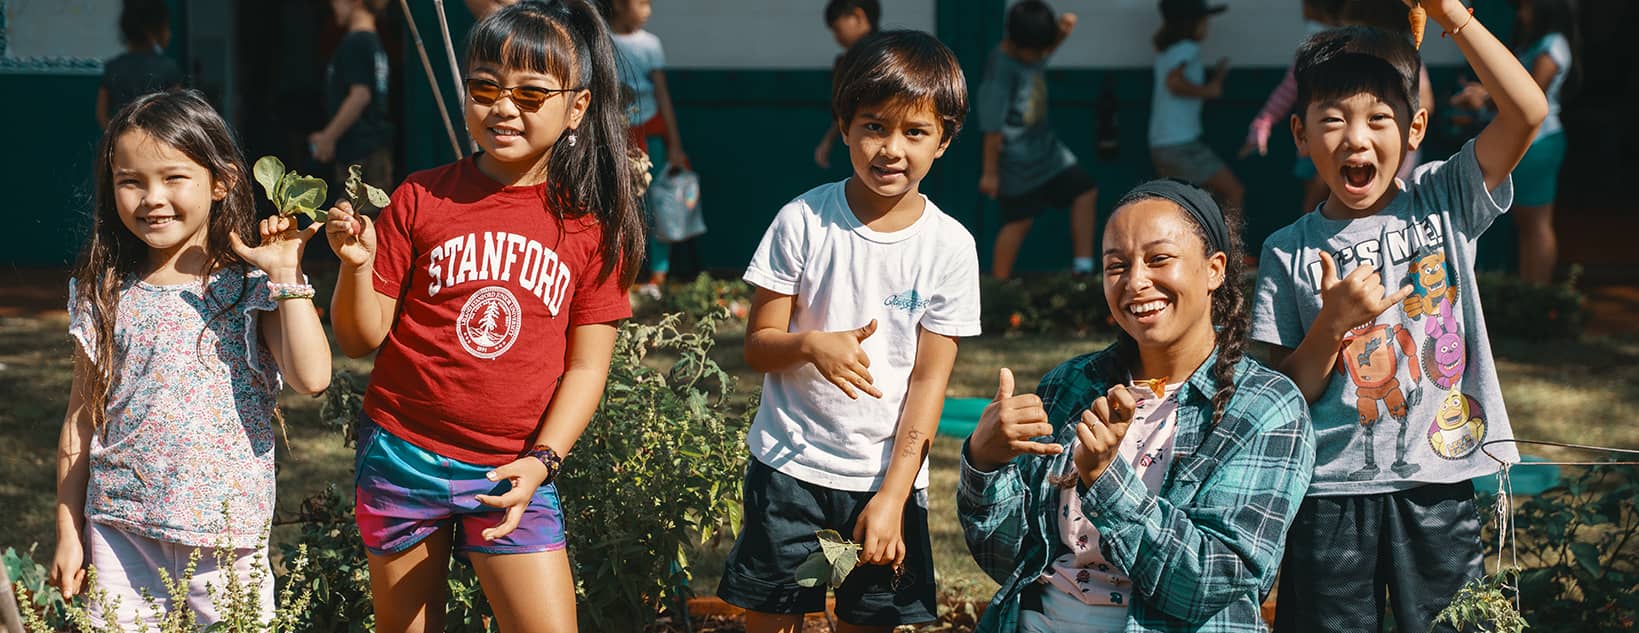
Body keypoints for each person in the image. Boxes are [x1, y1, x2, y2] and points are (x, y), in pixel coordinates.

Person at [322, 1, 643, 630]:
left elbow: (586, 369)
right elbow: (361, 339)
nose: (504, 108)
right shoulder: (420, 196)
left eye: (530, 94)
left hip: (514, 468)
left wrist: (542, 461)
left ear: (576, 108)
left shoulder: (591, 226)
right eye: (487, 88)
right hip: (402, 454)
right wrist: (355, 266)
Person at [1251, 8, 1548, 630]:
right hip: (1328, 495)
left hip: (1441, 483)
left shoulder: (1445, 200)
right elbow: (1282, 395)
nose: (1356, 139)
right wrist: (1330, 325)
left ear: (1414, 129)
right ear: (1300, 136)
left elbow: (1527, 112)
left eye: (1378, 120)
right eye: (1332, 121)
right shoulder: (1287, 249)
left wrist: (1454, 16)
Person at [960, 179, 1314, 633]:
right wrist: (985, 463)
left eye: (1159, 258)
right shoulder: (1069, 386)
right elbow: (1009, 558)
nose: (1136, 281)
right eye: (1116, 266)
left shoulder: (1267, 407)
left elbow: (1210, 581)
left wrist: (1108, 480)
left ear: (1215, 269)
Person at [717, 30, 980, 633]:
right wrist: (810, 344)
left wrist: (893, 495)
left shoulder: (951, 247)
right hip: (789, 468)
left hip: (885, 480)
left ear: (944, 138)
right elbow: (758, 346)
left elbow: (929, 381)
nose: (891, 149)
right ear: (844, 126)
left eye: (914, 132)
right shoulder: (802, 221)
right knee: (773, 621)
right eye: (874, 126)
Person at [50, 90, 332, 628]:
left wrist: (287, 277)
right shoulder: (104, 291)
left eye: (173, 177)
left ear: (221, 181)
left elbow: (312, 377)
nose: (151, 197)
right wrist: (68, 528)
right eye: (130, 181)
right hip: (119, 528)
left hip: (228, 540)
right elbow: (80, 419)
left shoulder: (251, 286)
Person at [1450, 0, 1577, 283]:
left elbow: (1530, 97)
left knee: (1536, 223)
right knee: (1525, 222)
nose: (1521, 14)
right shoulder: (1536, 42)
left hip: (1540, 143)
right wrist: (1483, 95)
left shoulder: (1552, 44)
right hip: (1525, 142)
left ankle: (1537, 295)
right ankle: (1527, 291)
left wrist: (1483, 97)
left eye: (1527, 7)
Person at [978, 0, 1097, 280]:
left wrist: (1062, 34)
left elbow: (1044, 50)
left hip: (1049, 153)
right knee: (1018, 222)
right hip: (1017, 162)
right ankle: (999, 287)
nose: (1043, 55)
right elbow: (992, 129)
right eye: (1037, 51)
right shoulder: (1000, 72)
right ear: (1016, 44)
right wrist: (990, 173)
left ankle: (1083, 269)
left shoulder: (1030, 52)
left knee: (1085, 191)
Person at [604, 0, 690, 296]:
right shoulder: (600, 40)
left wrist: (674, 144)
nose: (648, 10)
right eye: (641, 3)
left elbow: (662, 94)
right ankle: (620, 276)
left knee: (657, 205)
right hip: (614, 137)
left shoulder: (650, 45)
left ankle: (659, 276)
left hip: (650, 134)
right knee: (619, 204)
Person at [1239, 0, 1344, 214]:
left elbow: (1286, 92)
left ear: (1311, 8)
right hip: (1321, 144)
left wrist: (1262, 124)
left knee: (1316, 206)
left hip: (1320, 143)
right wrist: (1262, 124)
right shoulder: (1354, 44)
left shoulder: (1315, 47)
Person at [1149, 0, 1243, 214]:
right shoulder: (1187, 48)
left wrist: (1215, 79)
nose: (1207, 26)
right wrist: (1210, 90)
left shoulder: (1166, 51)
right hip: (1180, 144)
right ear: (1191, 24)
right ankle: (1230, 247)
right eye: (1203, 21)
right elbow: (1173, 82)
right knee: (1234, 191)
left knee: (1183, 206)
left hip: (1162, 143)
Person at [311, 0, 394, 212]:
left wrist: (328, 137)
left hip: (360, 156)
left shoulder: (355, 42)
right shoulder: (373, 41)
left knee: (354, 221)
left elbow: (360, 95)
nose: (332, 6)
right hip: (374, 150)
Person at [813, 0, 881, 169]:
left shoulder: (856, 60)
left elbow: (844, 106)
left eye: (837, 29)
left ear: (858, 16)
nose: (836, 37)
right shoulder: (896, 52)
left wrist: (827, 141)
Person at [97, 0, 183, 129]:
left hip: (120, 141)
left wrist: (117, 136)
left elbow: (101, 114)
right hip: (156, 141)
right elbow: (179, 111)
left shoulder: (113, 67)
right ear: (154, 30)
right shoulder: (168, 68)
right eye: (166, 26)